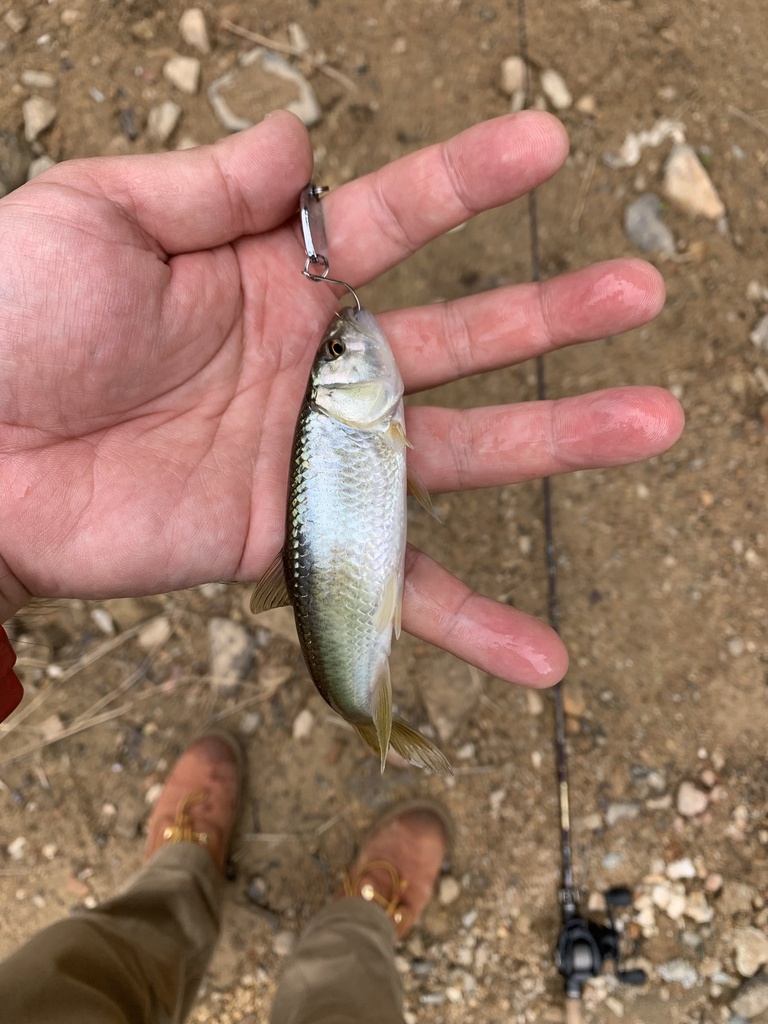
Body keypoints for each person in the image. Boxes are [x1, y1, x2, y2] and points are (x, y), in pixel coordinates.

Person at [0, 110, 685, 1021]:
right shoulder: (349, 413)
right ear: (338, 387)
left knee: (77, 979)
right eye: (338, 354)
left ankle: (176, 877)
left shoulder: (349, 414)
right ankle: (345, 923)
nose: (352, 344)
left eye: (338, 351)